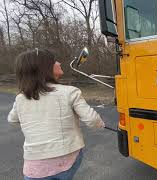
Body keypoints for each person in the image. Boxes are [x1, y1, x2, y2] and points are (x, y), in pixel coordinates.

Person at [7, 48, 105, 180]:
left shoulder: (21, 97)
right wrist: (101, 125)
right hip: (67, 158)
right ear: (45, 68)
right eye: (54, 61)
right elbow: (93, 120)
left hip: (34, 167)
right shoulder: (70, 92)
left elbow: (12, 120)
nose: (59, 63)